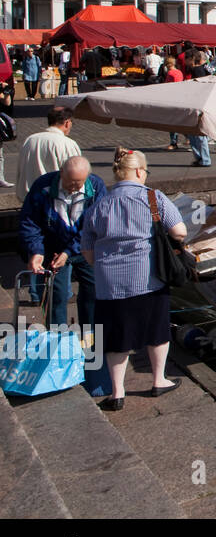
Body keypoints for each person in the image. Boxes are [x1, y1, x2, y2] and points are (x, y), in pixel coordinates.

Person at [80, 148, 187, 411]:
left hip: (109, 284)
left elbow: (86, 250)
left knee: (115, 337)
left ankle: (117, 392)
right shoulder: (153, 198)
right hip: (147, 277)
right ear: (139, 171)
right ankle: (158, 380)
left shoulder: (99, 204)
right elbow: (180, 232)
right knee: (156, 329)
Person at [19, 155, 105, 333]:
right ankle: (58, 339)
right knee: (56, 296)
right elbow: (30, 221)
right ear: (61, 172)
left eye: (78, 183)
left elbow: (95, 225)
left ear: (87, 177)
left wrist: (68, 252)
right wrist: (37, 251)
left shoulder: (96, 187)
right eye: (69, 182)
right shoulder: (42, 186)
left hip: (85, 248)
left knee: (93, 292)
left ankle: (90, 338)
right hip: (53, 247)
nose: (73, 187)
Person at [17, 106, 82, 194]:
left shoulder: (30, 140)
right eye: (71, 122)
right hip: (54, 200)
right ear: (67, 123)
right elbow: (75, 175)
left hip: (29, 199)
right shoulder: (68, 144)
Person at [186, 51, 213, 167]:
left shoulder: (197, 70)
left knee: (196, 133)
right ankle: (202, 158)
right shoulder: (206, 69)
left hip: (198, 103)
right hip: (204, 102)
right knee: (197, 133)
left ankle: (203, 158)